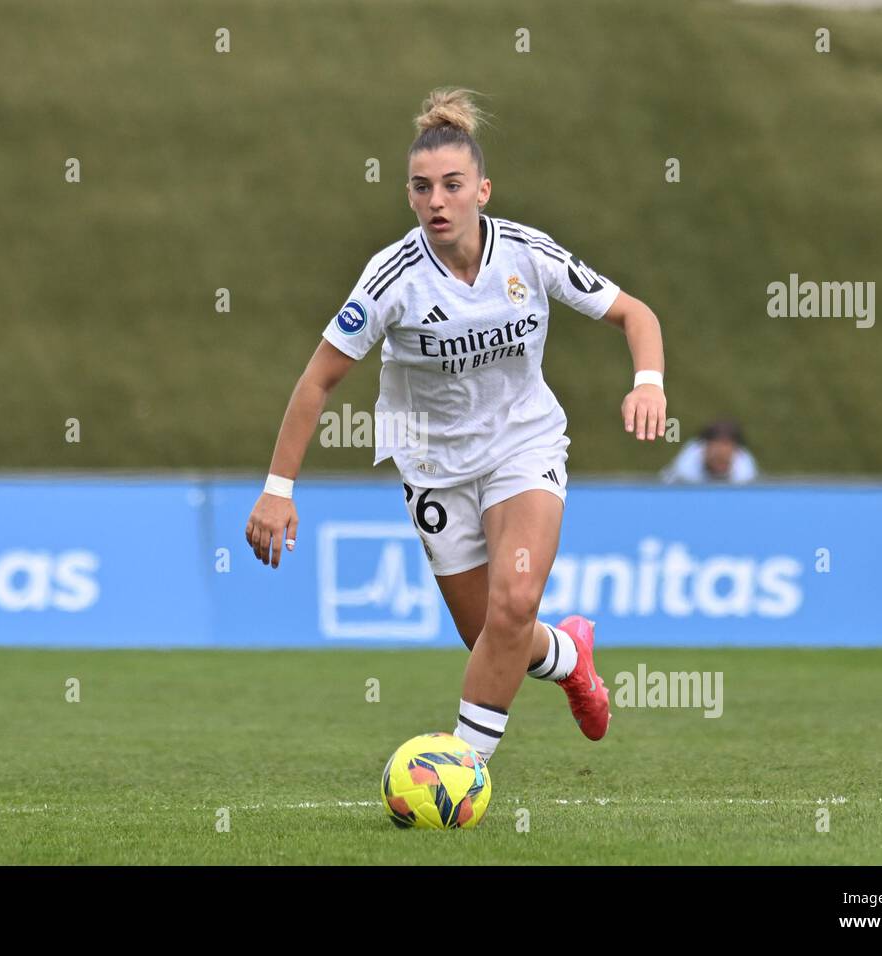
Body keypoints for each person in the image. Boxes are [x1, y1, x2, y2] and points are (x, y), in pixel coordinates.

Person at [244, 88, 667, 765]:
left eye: (452, 185)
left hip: (522, 448)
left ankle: (459, 771)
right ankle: (569, 657)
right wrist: (277, 488)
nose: (437, 200)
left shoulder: (528, 255)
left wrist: (648, 382)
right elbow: (317, 380)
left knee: (515, 601)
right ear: (409, 198)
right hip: (433, 466)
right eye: (421, 188)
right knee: (496, 637)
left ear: (483, 190)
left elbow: (636, 315)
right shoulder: (392, 280)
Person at [660, 419, 758, 483]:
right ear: (703, 449)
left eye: (724, 460)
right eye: (715, 458)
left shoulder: (745, 474)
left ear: (736, 451)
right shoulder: (685, 471)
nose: (720, 453)